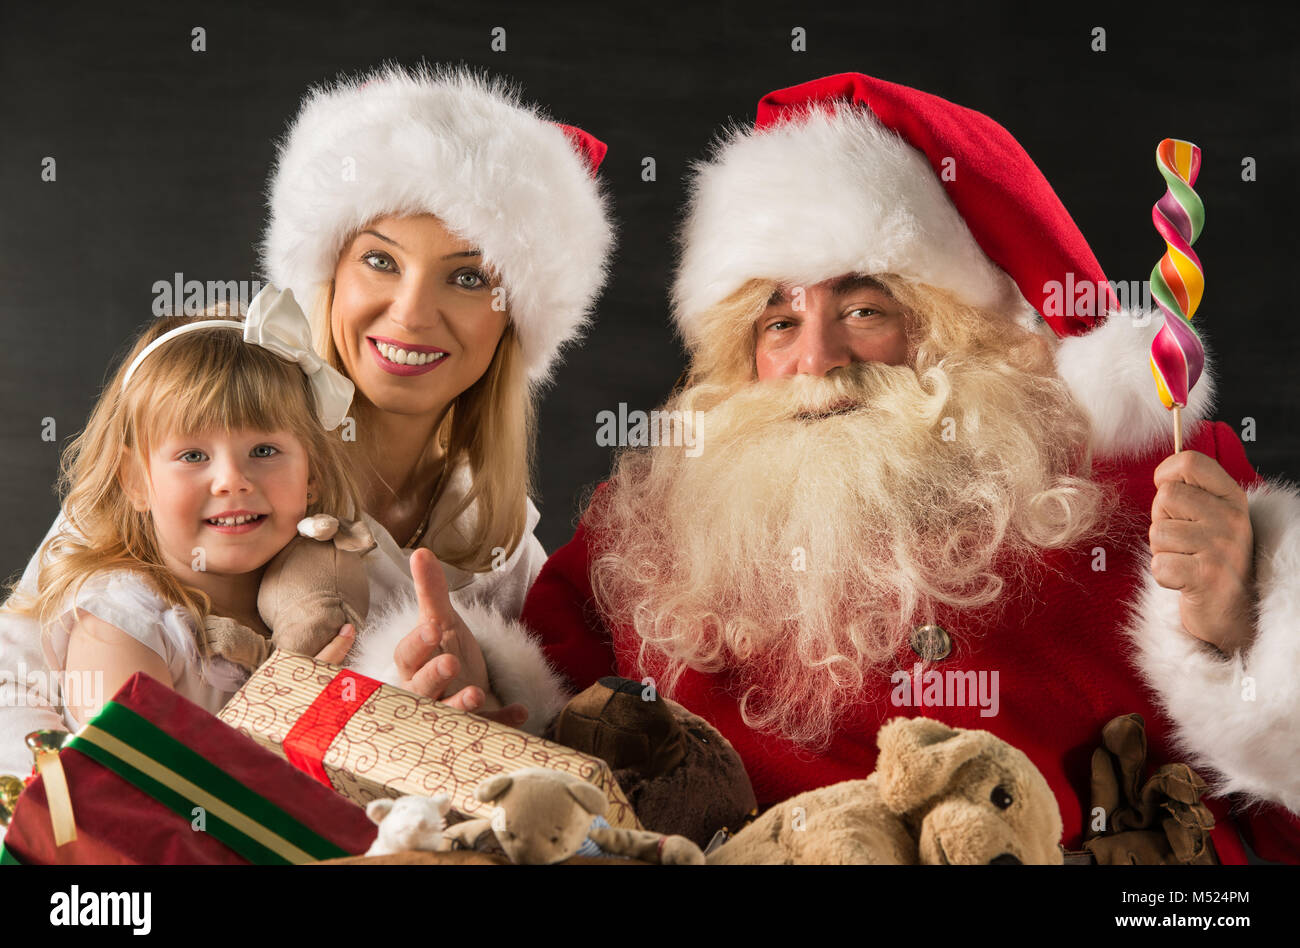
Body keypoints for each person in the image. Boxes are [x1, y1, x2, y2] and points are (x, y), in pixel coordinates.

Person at [519, 73, 1300, 863]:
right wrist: (467, 688)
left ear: (955, 330)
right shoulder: (651, 522)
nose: (816, 358)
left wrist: (1236, 636)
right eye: (779, 321)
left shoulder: (1145, 485)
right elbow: (527, 766)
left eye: (864, 311)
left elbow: (1273, 828)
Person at [0, 64, 611, 777]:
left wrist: (478, 704)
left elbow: (522, 757)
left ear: (513, 320)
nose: (412, 312)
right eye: (380, 260)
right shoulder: (206, 434)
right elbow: (16, 681)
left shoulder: (497, 540)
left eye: (469, 276)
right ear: (330, 274)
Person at [1, 288, 384, 730]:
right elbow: (149, 783)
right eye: (193, 456)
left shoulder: (319, 602)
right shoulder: (126, 622)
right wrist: (284, 710)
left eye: (263, 449)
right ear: (136, 482)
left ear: (312, 474)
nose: (231, 480)